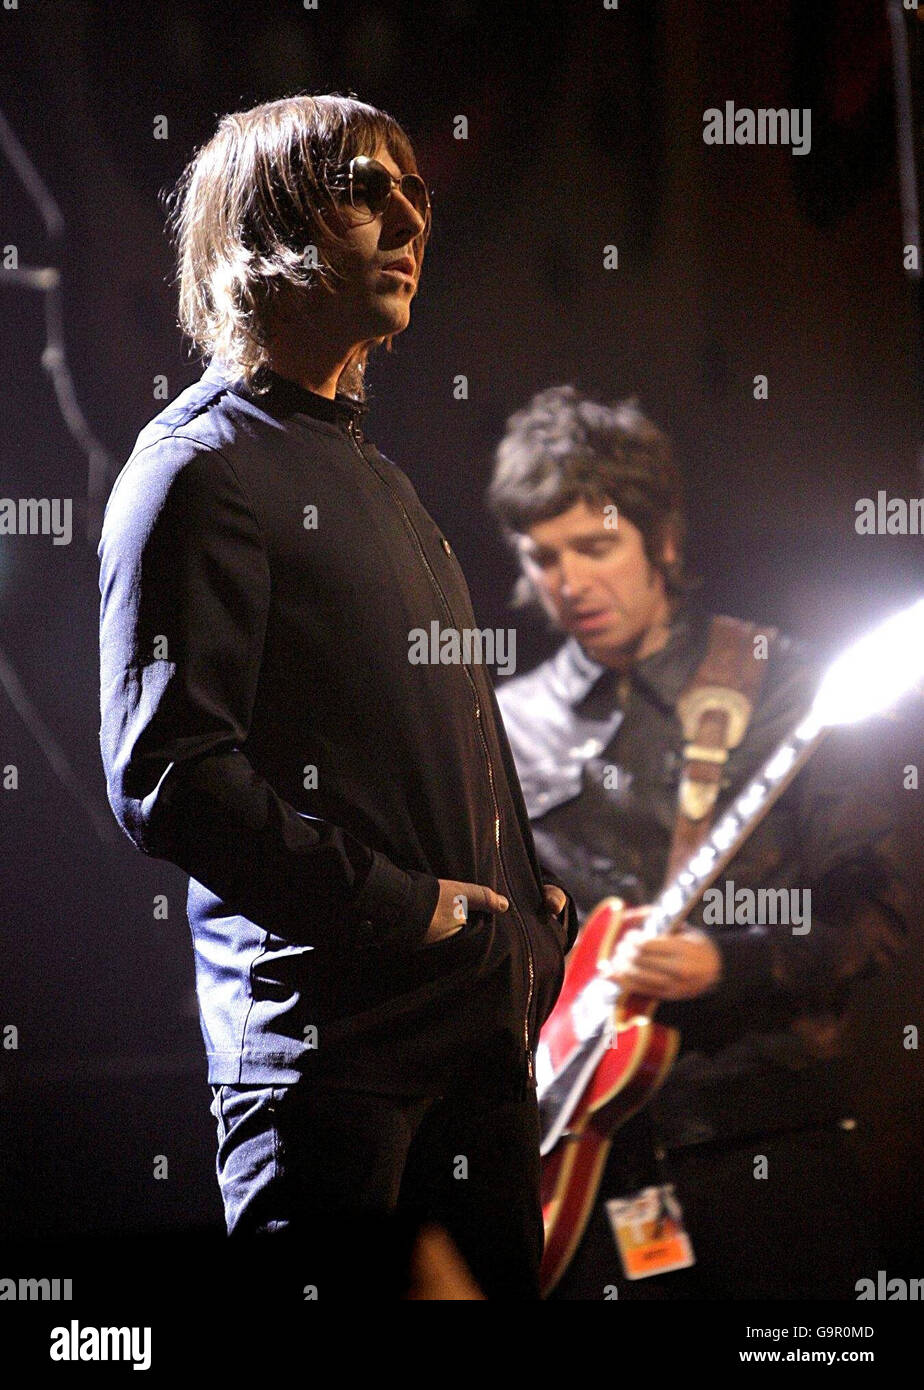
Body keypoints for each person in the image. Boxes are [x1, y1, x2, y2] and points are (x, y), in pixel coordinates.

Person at [97, 94, 575, 1301]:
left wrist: (528, 916)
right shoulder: (195, 469)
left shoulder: (376, 476)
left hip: (471, 1046)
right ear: (268, 227)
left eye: (419, 192)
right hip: (330, 1066)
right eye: (369, 187)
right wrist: (411, 911)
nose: (413, 215)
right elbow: (170, 777)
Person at [489, 385, 909, 1299]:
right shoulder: (506, 728)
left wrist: (727, 966)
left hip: (765, 1142)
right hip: (593, 1156)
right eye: (544, 557)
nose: (571, 583)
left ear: (663, 541)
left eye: (596, 548)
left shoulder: (779, 682)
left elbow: (872, 917)